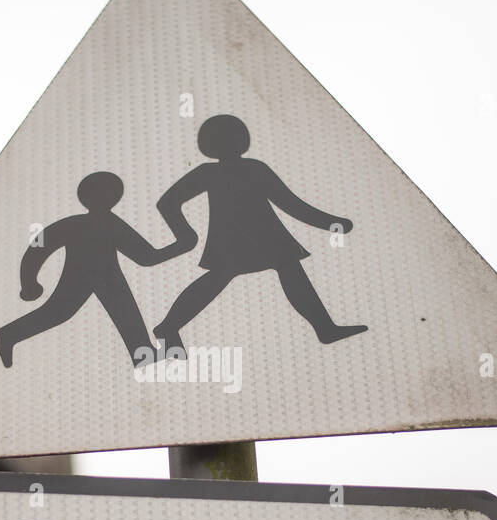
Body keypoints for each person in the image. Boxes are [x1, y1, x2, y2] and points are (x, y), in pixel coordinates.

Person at [153, 114, 367, 353]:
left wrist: (331, 223)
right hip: (234, 237)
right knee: (224, 277)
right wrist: (185, 234)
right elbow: (168, 202)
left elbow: (289, 203)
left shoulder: (252, 168)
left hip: (264, 234)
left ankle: (324, 327)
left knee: (287, 269)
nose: (232, 143)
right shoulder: (211, 172)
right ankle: (168, 326)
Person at [0, 171, 182, 368]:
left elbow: (38, 246)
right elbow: (146, 257)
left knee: (66, 312)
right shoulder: (105, 223)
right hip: (96, 277)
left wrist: (29, 284)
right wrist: (181, 246)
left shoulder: (80, 223)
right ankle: (7, 335)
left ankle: (141, 350)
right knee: (64, 312)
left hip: (99, 276)